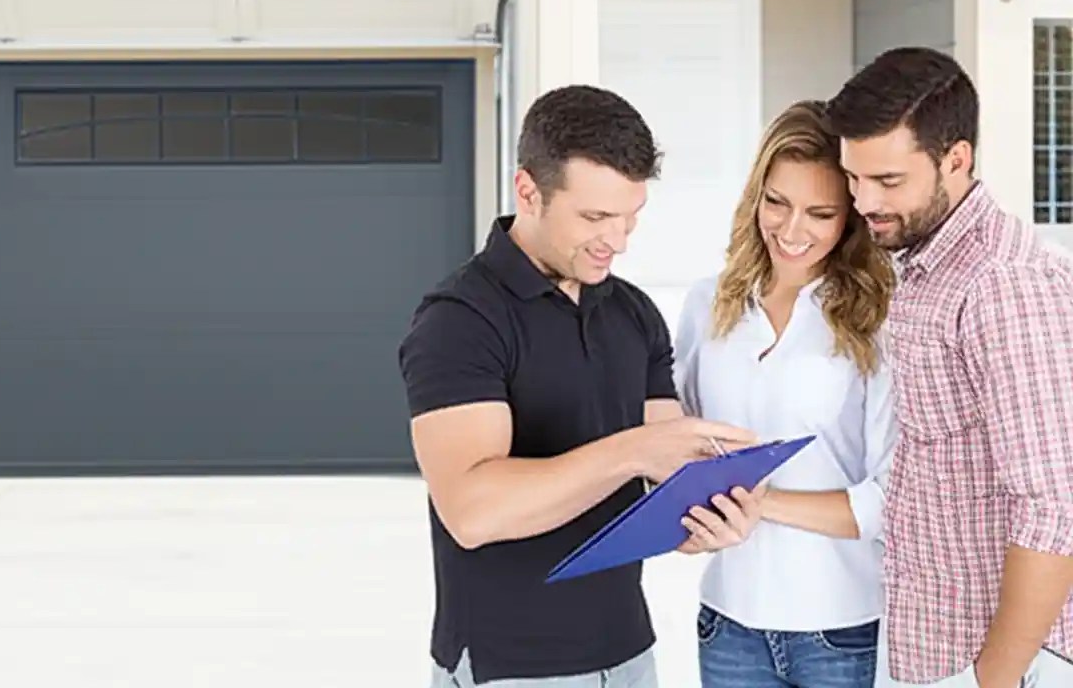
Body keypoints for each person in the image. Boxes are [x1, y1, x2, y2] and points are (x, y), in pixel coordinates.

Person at [398, 84, 761, 687]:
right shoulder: (460, 319)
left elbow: (665, 467)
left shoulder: (634, 313)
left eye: (630, 217)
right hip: (510, 668)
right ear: (528, 192)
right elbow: (471, 510)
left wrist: (709, 517)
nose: (616, 241)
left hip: (628, 656)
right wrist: (632, 451)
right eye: (594, 218)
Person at [824, 47, 1073, 688]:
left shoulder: (1002, 284)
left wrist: (991, 678)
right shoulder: (929, 266)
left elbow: (1054, 509)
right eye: (854, 179)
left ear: (956, 160)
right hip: (934, 643)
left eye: (888, 181)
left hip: (999, 664)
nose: (863, 201)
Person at [672, 99, 899, 687]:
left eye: (819, 214)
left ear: (850, 218)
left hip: (841, 631)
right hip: (727, 626)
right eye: (777, 203)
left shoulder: (878, 320)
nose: (791, 232)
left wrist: (757, 505)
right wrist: (686, 523)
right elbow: (676, 451)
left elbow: (890, 498)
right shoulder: (707, 305)